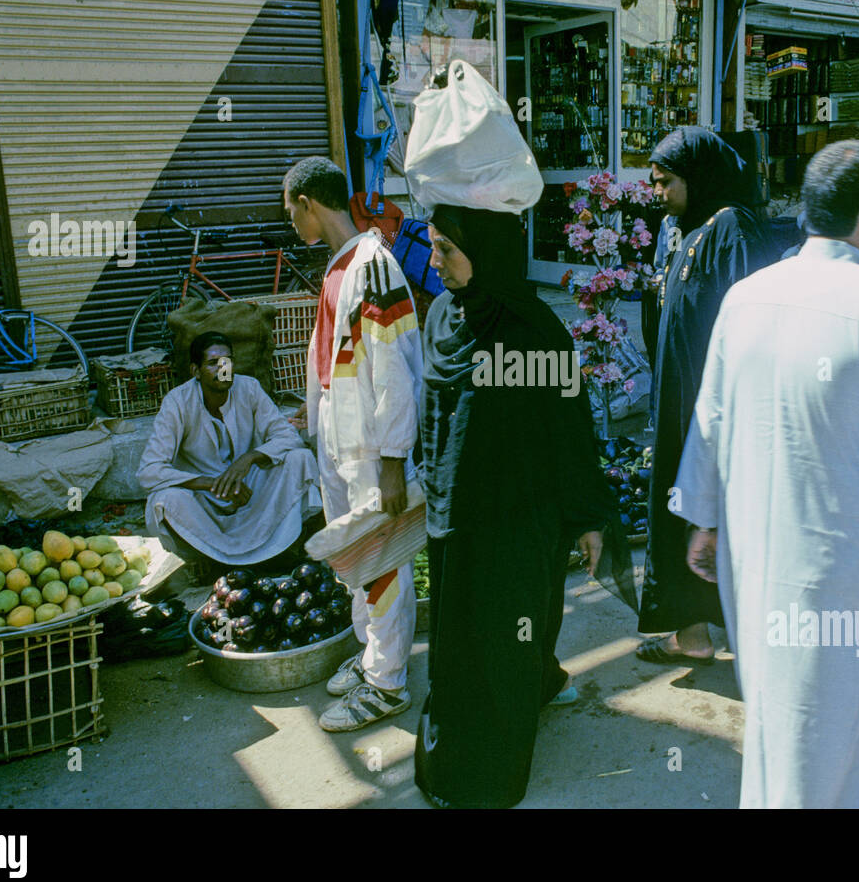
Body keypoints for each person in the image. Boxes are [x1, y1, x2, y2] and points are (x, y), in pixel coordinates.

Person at [674, 139, 859, 808]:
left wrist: (705, 518)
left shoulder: (746, 298)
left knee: (784, 741)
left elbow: (710, 419)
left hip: (764, 573)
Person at [414, 204, 635, 809]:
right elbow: (433, 415)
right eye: (433, 247)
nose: (435, 263)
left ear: (489, 251)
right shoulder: (443, 317)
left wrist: (587, 518)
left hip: (518, 517)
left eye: (447, 250)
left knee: (503, 632)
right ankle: (496, 713)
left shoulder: (533, 330)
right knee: (464, 633)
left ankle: (480, 772)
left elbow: (568, 431)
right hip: (455, 510)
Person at [283, 156, 424, 733]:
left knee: (382, 560)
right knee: (356, 558)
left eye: (289, 210)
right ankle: (372, 657)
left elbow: (396, 369)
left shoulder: (374, 266)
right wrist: (311, 410)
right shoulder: (339, 266)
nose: (290, 222)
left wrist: (393, 459)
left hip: (371, 448)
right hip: (342, 444)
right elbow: (338, 358)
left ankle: (388, 682)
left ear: (307, 204)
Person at [635, 126, 777, 666]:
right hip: (680, 408)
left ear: (698, 176)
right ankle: (691, 634)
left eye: (665, 181)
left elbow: (752, 326)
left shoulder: (731, 229)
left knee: (719, 519)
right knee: (678, 514)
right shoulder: (690, 231)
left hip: (712, 411)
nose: (657, 193)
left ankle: (743, 639)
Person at [138, 332, 318, 572]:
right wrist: (211, 483)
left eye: (227, 361)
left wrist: (249, 458)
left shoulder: (249, 388)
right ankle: (209, 559)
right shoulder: (177, 402)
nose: (223, 368)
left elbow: (286, 436)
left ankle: (282, 547)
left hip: (249, 490)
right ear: (196, 371)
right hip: (205, 502)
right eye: (213, 363)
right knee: (163, 500)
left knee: (300, 458)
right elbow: (149, 471)